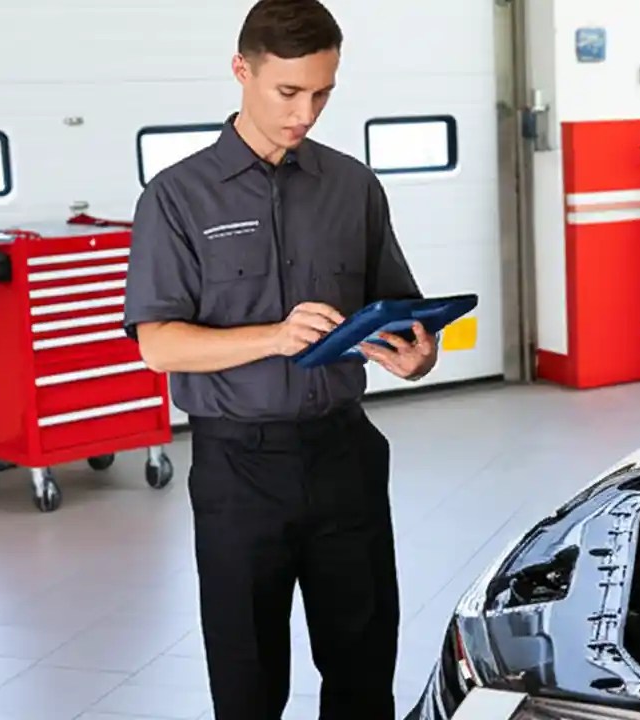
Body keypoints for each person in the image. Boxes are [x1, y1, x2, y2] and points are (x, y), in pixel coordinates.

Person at [121, 1, 435, 717]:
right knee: (248, 682)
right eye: (289, 92)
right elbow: (158, 344)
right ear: (242, 70)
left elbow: (398, 309)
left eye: (323, 93)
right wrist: (273, 336)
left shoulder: (352, 186)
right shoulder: (177, 196)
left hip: (345, 457)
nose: (306, 113)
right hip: (239, 469)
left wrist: (415, 356)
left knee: (363, 671)